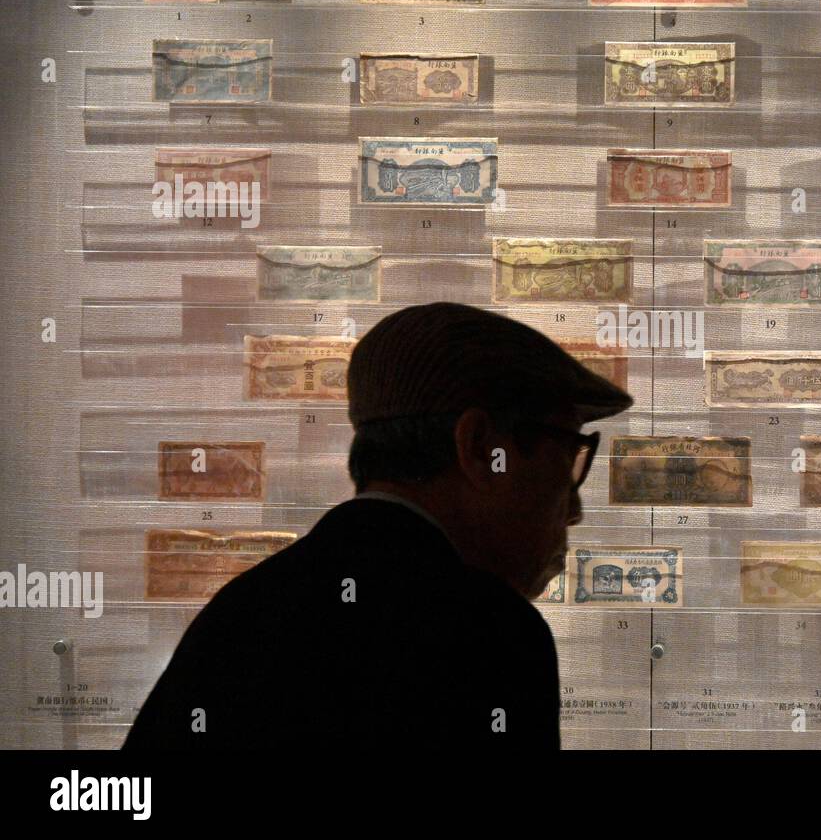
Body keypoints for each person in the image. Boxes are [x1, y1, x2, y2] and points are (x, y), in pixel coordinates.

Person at [122, 302, 633, 750]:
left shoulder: (243, 608)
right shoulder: (485, 634)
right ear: (481, 449)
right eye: (569, 456)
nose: (573, 508)